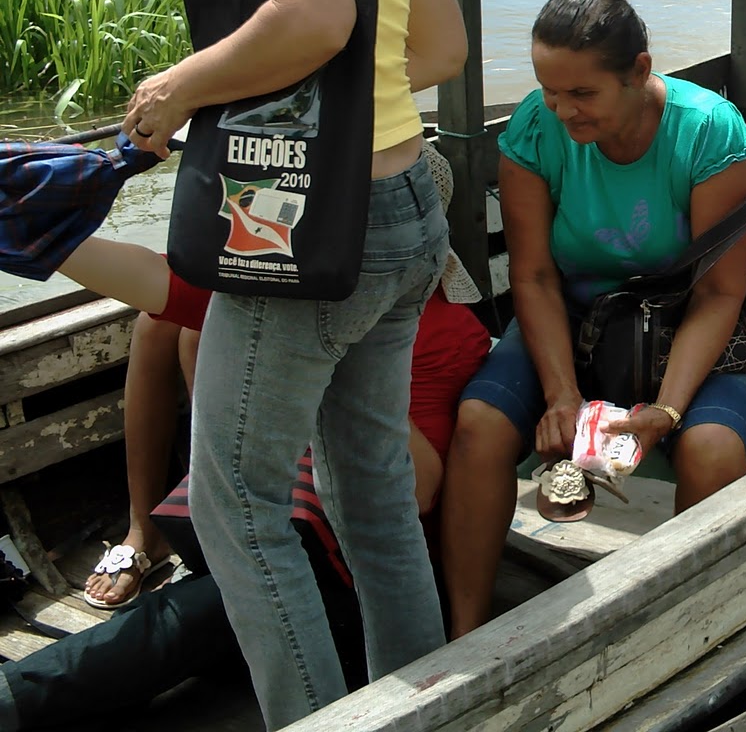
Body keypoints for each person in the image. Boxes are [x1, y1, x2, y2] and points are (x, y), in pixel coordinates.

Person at [120, 0, 468, 727]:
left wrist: (183, 87)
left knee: (236, 512)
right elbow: (437, 44)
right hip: (409, 205)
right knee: (371, 495)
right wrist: (287, 85)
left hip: (308, 229)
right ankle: (416, 708)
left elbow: (316, 13)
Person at [0, 259, 492, 731]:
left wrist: (350, 366)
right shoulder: (284, 306)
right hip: (279, 533)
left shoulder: (442, 334)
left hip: (354, 577)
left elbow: (419, 490)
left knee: (185, 619)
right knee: (195, 617)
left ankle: (16, 693)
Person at [439, 0, 746, 638]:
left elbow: (720, 288)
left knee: (711, 453)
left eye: (582, 93)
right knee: (479, 425)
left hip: (686, 321)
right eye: (549, 92)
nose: (564, 111)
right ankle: (462, 635)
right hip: (579, 320)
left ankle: (681, 628)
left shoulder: (707, 131)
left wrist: (666, 411)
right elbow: (531, 277)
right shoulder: (537, 128)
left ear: (639, 70)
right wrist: (561, 396)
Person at [56, 143, 485, 611]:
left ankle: (208, 508)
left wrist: (329, 354)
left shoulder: (427, 329)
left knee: (195, 330)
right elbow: (159, 281)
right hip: (306, 468)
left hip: (346, 524)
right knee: (169, 325)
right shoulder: (353, 288)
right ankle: (149, 526)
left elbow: (415, 488)